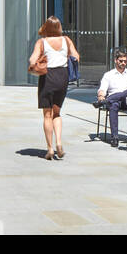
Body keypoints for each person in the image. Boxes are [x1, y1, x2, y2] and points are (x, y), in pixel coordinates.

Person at [29, 16, 79, 161]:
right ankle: (59, 142)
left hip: (48, 77)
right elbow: (76, 56)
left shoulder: (42, 42)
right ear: (59, 27)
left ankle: (50, 148)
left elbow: (32, 60)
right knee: (57, 113)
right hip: (62, 77)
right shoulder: (67, 40)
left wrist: (37, 62)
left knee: (47, 115)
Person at [94, 49, 127, 147]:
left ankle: (106, 101)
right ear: (115, 60)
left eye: (125, 61)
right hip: (115, 103)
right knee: (113, 106)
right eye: (121, 61)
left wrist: (105, 100)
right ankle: (115, 137)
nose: (123, 63)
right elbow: (102, 90)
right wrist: (101, 96)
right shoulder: (108, 75)